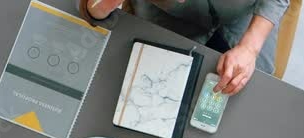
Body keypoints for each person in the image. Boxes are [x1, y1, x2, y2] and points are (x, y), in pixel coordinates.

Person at [80, 0, 287, 94]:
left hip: (242, 14)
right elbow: (91, 9)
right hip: (170, 20)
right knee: (154, 95)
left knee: (258, 92)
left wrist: (250, 48)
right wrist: (101, 6)